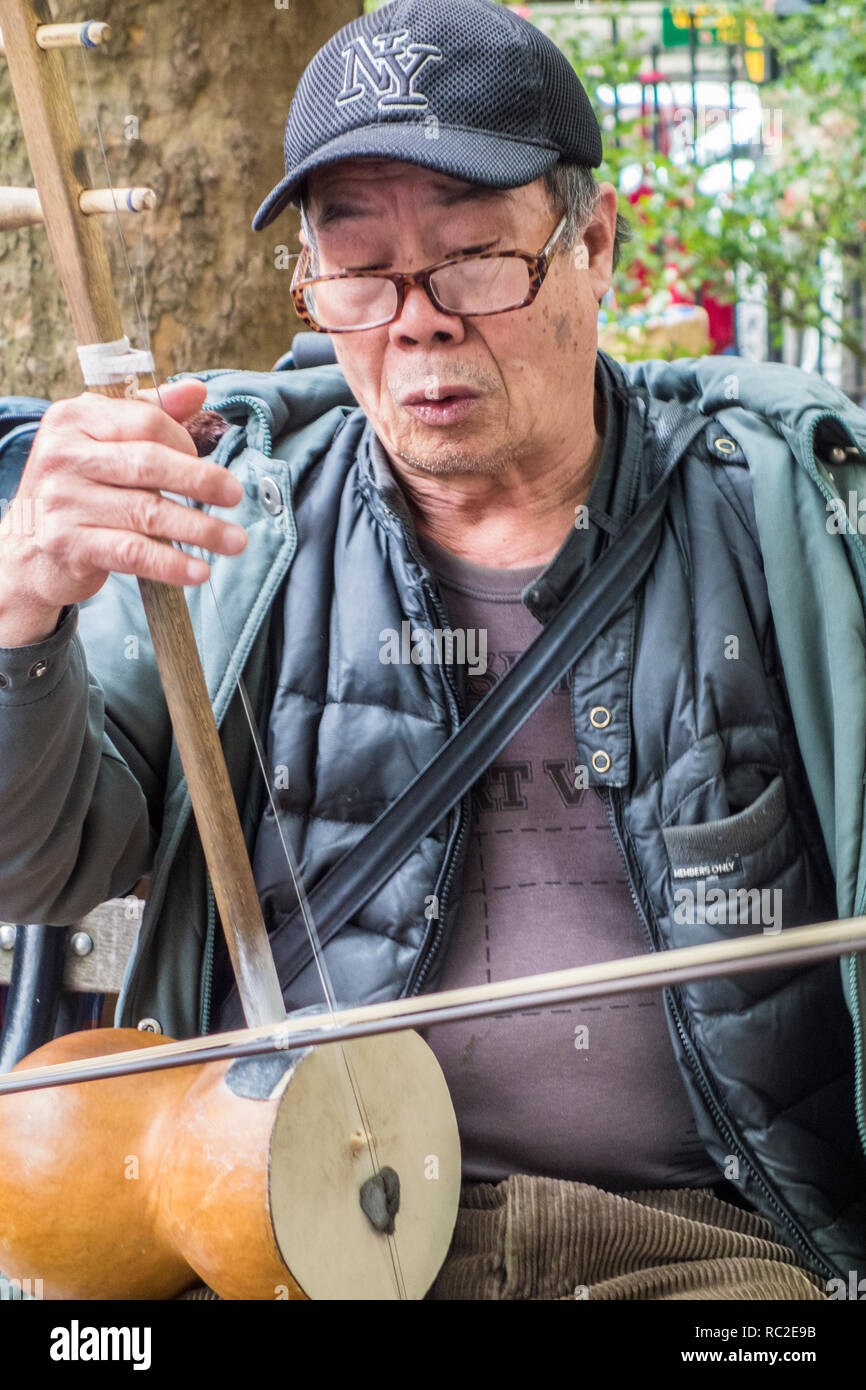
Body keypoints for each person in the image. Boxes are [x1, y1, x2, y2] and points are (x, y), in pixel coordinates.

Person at [2, 0, 866, 1300]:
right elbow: (39, 858)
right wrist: (19, 621)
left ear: (592, 241)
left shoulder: (773, 513)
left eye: (470, 260)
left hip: (698, 1253)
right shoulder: (234, 516)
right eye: (358, 273)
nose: (415, 322)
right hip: (285, 1238)